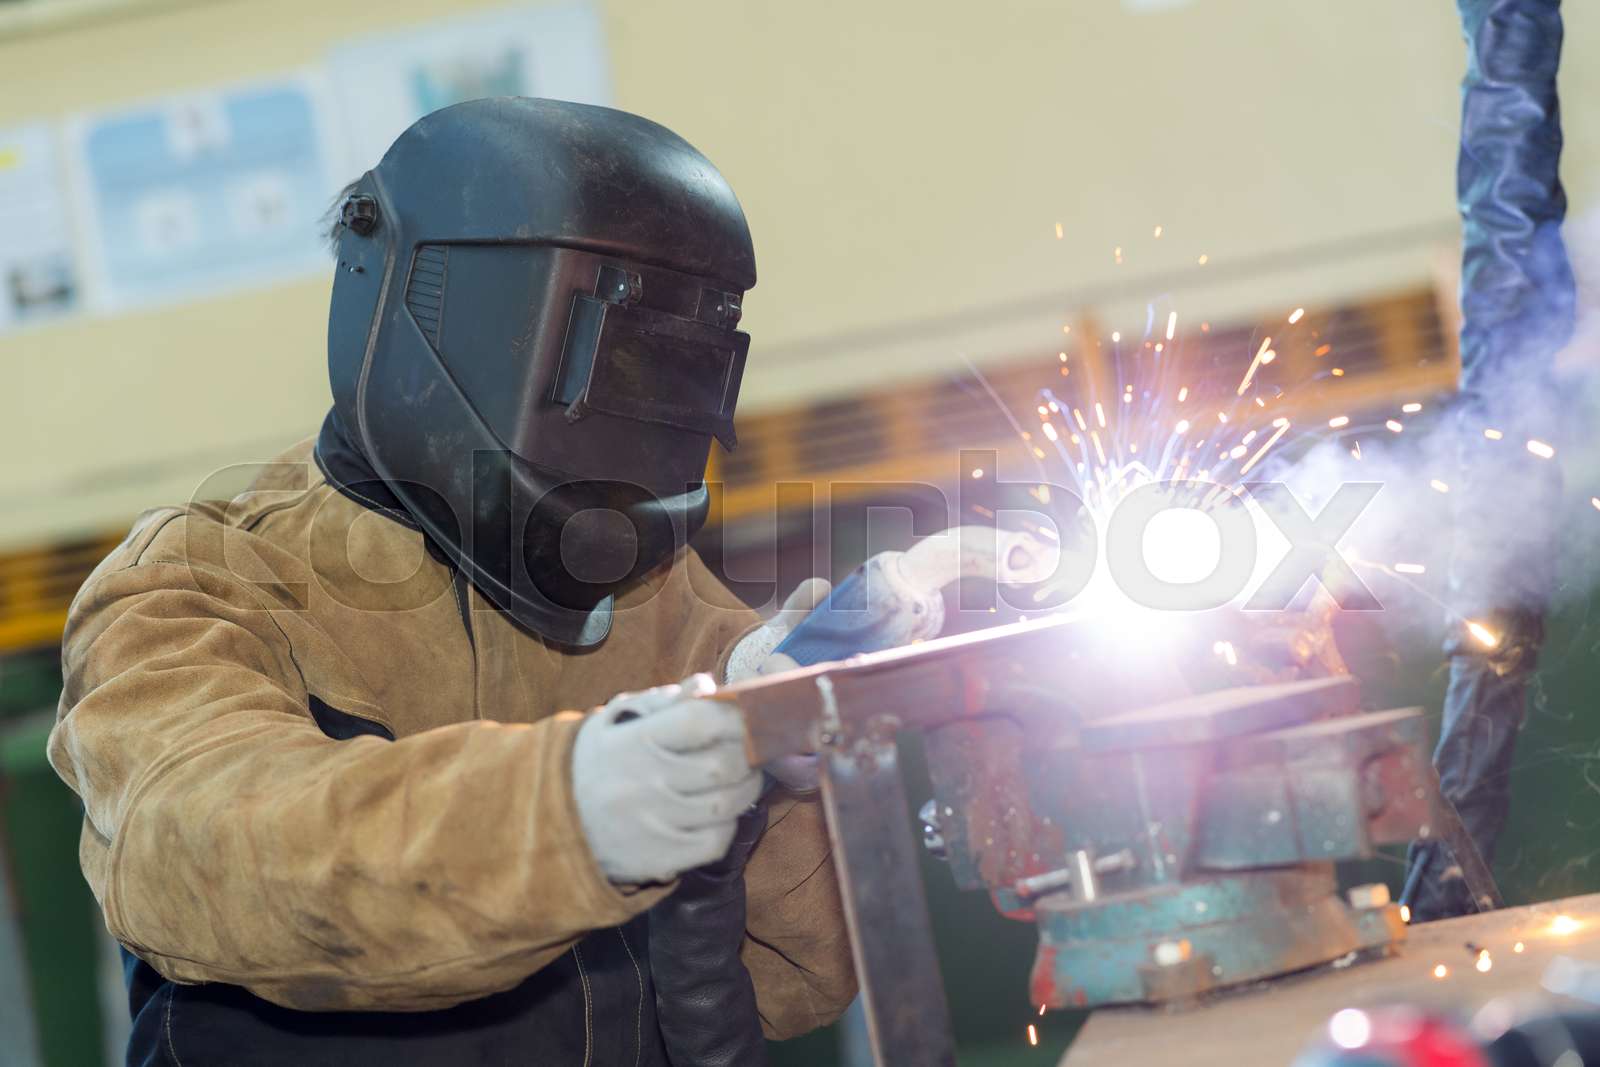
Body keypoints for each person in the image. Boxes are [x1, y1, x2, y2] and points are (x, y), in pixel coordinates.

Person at [49, 97, 856, 1065]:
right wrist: (563, 814)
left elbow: (799, 972)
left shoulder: (659, 597)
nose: (626, 422)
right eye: (603, 362)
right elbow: (211, 850)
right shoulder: (197, 584)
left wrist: (795, 743)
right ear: (411, 303)